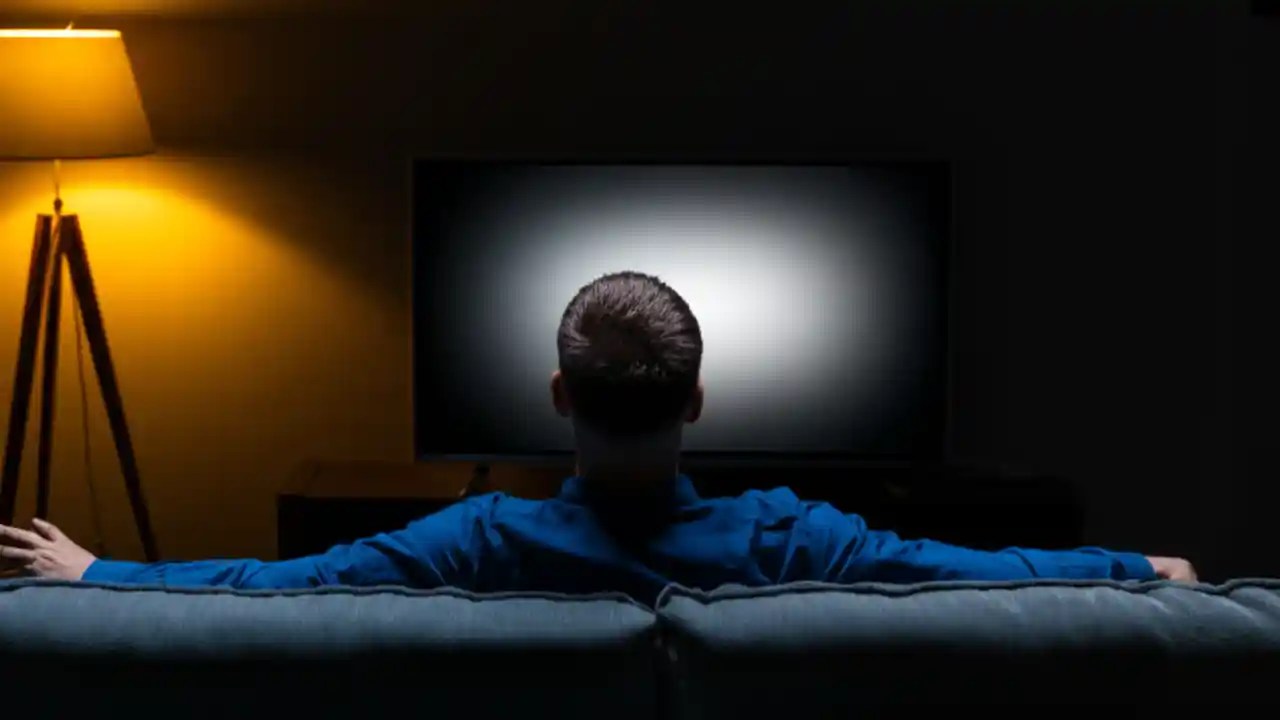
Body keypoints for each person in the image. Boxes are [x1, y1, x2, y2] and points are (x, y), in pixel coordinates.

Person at [0, 271, 1195, 605]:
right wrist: (1135, 571)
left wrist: (101, 574)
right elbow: (962, 572)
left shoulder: (470, 546)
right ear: (697, 400)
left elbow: (280, 587)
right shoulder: (794, 540)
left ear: (558, 397)